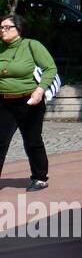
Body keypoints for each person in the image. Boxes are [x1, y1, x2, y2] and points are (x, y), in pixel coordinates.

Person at [0, 14, 58, 192]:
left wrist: (40, 90)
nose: (2, 30)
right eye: (1, 27)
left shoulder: (32, 45)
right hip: (4, 102)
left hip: (29, 101)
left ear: (18, 29)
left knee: (32, 141)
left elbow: (50, 68)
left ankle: (40, 177)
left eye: (6, 27)